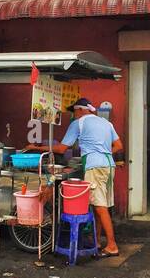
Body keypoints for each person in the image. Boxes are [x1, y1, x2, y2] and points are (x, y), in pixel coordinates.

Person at [26, 98, 124, 257]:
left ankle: (112, 245)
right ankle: (97, 241)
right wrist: (102, 152)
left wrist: (36, 148)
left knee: (99, 206)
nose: (73, 115)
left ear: (80, 110)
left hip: (95, 166)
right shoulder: (106, 123)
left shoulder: (78, 123)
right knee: (101, 205)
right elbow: (119, 146)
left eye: (74, 111)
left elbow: (61, 148)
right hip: (109, 165)